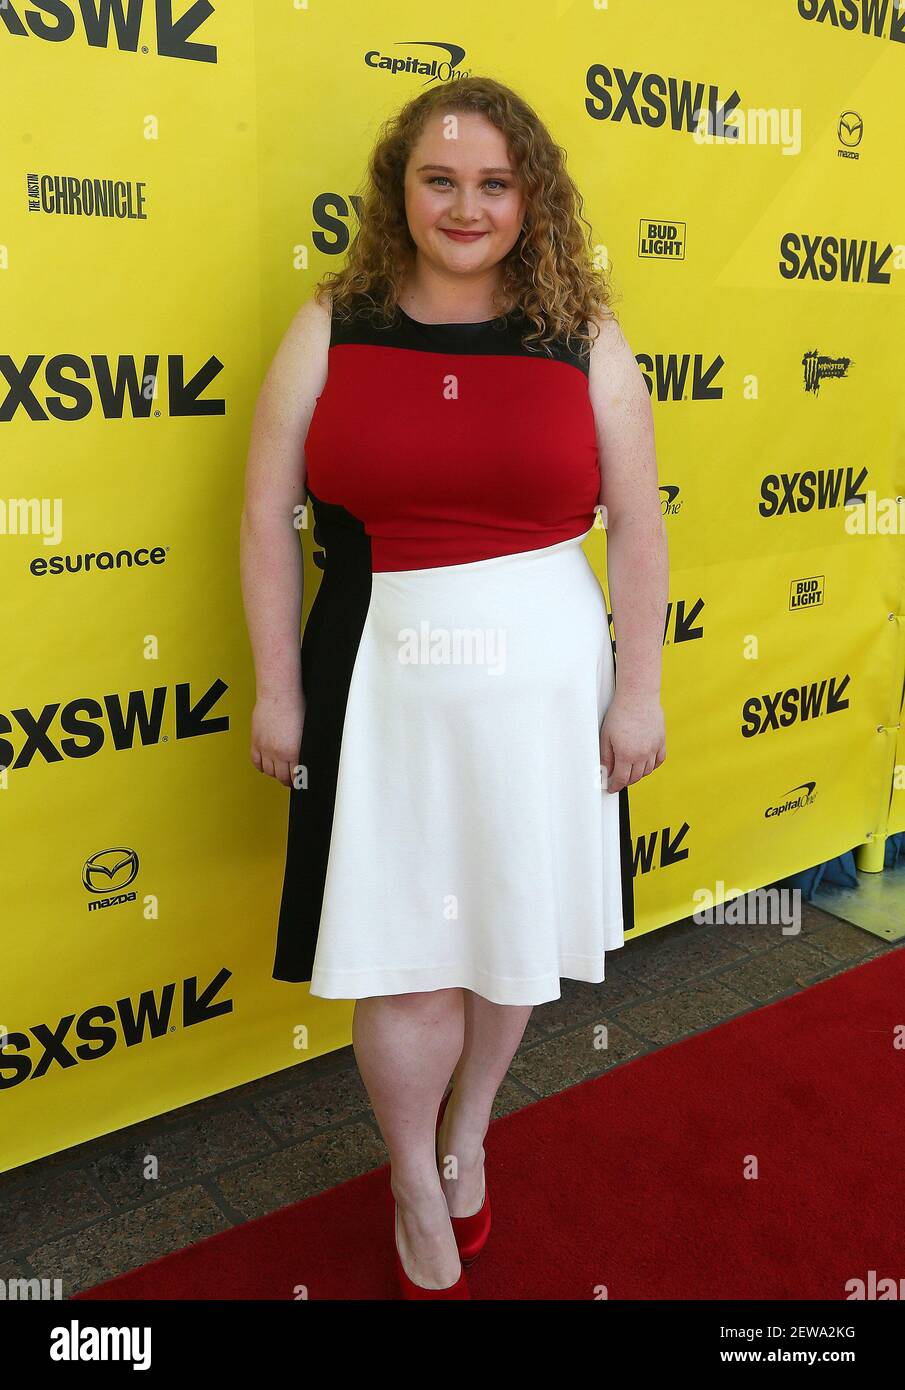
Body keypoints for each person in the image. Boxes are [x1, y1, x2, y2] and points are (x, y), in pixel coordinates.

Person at [241, 75, 667, 1299]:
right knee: (407, 959)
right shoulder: (335, 321)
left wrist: (635, 694)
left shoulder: (581, 336)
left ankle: (467, 1125)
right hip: (377, 694)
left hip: (541, 697)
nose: (464, 205)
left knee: (506, 934)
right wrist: (279, 690)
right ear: (400, 191)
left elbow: (637, 530)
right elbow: (266, 515)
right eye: (439, 179)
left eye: (492, 182)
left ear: (528, 197)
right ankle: (412, 1179)